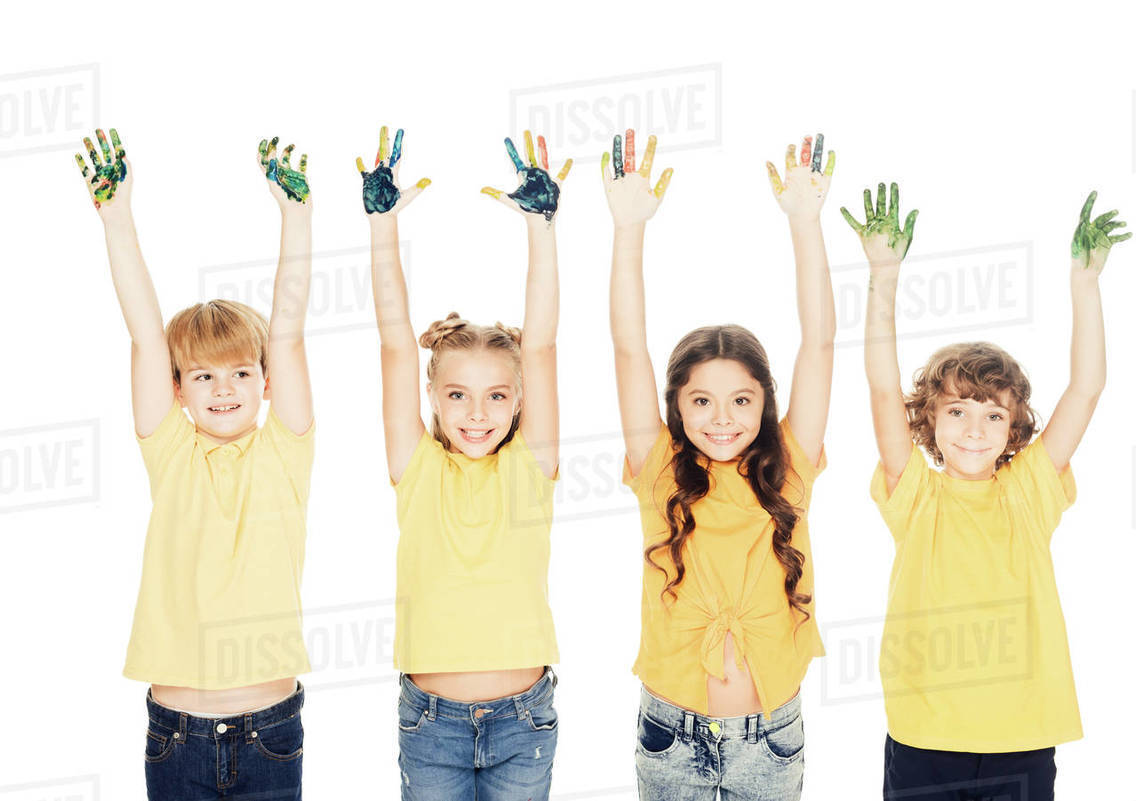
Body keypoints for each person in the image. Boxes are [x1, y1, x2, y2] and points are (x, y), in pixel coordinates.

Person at [847, 185, 1130, 800]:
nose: (975, 428)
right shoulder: (914, 491)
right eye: (958, 411)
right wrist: (883, 277)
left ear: (1013, 430)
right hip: (925, 737)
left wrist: (1085, 284)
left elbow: (1086, 388)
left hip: (1022, 736)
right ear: (928, 419)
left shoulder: (1029, 488)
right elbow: (879, 386)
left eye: (994, 415)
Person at [78, 129, 316, 800]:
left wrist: (296, 218)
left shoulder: (286, 446)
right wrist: (117, 217)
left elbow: (290, 331)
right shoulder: (170, 448)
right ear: (179, 389)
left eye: (241, 371)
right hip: (175, 732)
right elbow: (146, 334)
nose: (224, 388)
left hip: (271, 727)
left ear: (265, 381)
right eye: (204, 376)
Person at [608, 129, 836, 799]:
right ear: (675, 405)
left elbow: (819, 343)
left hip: (769, 737)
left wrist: (804, 223)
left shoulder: (789, 466)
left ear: (767, 402)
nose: (722, 416)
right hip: (670, 734)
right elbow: (627, 349)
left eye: (741, 398)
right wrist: (628, 231)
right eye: (701, 399)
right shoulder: (659, 469)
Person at [362, 126, 569, 800]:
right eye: (457, 394)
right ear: (432, 395)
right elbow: (396, 344)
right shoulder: (415, 466)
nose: (476, 413)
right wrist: (381, 226)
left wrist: (542, 226)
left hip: (523, 720)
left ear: (518, 401)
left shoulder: (529, 468)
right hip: (431, 723)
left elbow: (540, 345)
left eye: (495, 396)